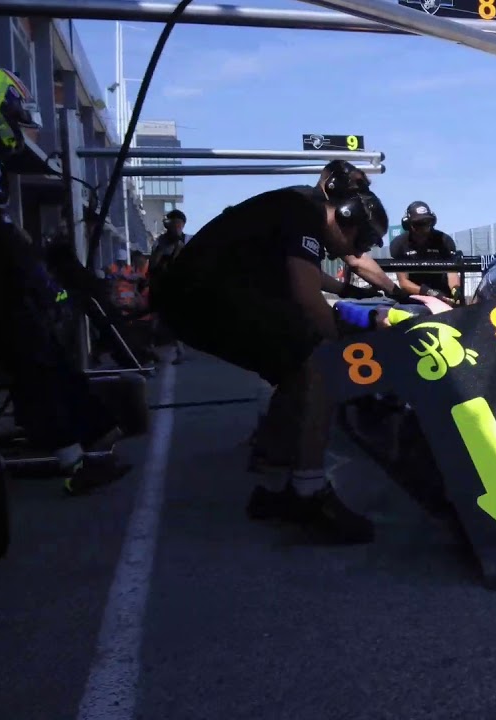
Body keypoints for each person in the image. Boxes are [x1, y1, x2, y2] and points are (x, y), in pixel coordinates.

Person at [149, 162, 417, 543]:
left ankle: (274, 486)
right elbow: (310, 299)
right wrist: (339, 351)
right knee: (319, 367)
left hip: (193, 300)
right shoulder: (303, 213)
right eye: (359, 240)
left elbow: (313, 270)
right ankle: (308, 496)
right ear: (345, 216)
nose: (357, 252)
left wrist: (375, 294)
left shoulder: (294, 208)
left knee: (297, 373)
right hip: (205, 299)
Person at [0, 66, 127, 495]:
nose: (17, 125)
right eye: (13, 113)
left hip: (10, 285)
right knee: (35, 368)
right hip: (4, 289)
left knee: (46, 361)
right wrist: (43, 283)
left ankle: (91, 438)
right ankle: (74, 462)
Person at [387, 201, 464, 306]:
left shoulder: (444, 241)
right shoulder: (399, 244)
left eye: (427, 223)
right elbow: (403, 283)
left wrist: (456, 291)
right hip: (414, 298)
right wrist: (430, 293)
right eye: (418, 224)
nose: (423, 228)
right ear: (408, 225)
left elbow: (452, 274)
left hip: (443, 296)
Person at [148, 209, 188, 363]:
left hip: (175, 286)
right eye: (174, 223)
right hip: (159, 284)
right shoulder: (161, 242)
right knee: (156, 318)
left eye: (179, 224)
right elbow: (153, 264)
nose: (177, 227)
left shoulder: (184, 241)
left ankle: (180, 350)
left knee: (174, 318)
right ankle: (150, 349)